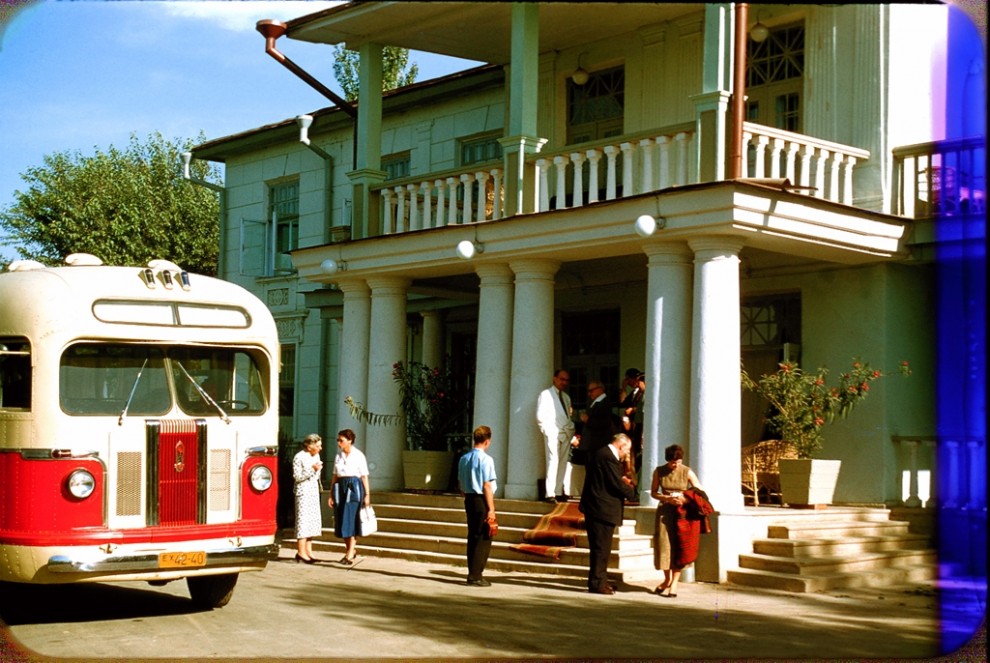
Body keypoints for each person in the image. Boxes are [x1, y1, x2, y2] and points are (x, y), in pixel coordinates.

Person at [579, 433, 637, 594]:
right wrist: (633, 493)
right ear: (621, 446)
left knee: (602, 548)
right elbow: (614, 483)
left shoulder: (604, 454)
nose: (627, 454)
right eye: (627, 450)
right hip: (600, 509)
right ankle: (598, 583)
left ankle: (599, 580)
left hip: (599, 508)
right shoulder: (606, 456)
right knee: (601, 548)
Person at [650, 443, 706, 598]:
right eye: (673, 462)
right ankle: (666, 579)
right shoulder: (659, 471)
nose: (675, 465)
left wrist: (684, 499)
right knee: (664, 546)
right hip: (665, 511)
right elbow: (653, 492)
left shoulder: (686, 471)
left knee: (679, 546)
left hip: (682, 512)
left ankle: (674, 583)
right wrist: (666, 498)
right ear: (667, 460)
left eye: (678, 462)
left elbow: (699, 491)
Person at [457, 425, 498, 587]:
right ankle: (476, 574)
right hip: (481, 500)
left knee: (473, 535)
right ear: (487, 441)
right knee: (484, 537)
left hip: (469, 499)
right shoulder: (486, 460)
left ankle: (472, 572)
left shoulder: (464, 458)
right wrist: (492, 509)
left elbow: (460, 484)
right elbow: (487, 485)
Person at [327, 428, 371, 565]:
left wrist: (367, 495)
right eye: (338, 440)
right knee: (341, 519)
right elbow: (334, 475)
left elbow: (364, 476)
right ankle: (350, 550)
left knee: (351, 518)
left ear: (349, 441)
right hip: (340, 486)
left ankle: (350, 552)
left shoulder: (359, 455)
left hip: (354, 486)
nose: (339, 443)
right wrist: (331, 494)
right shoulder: (338, 456)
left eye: (341, 440)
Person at [536, 369, 576, 503]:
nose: (564, 382)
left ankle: (559, 491)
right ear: (554, 379)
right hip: (552, 432)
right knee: (552, 461)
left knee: (563, 462)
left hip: (565, 433)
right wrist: (548, 431)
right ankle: (550, 493)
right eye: (561, 379)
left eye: (566, 380)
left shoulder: (566, 397)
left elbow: (567, 416)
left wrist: (570, 430)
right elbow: (540, 416)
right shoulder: (545, 394)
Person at [292, 433, 324, 563]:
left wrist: (317, 470)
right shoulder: (299, 457)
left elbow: (317, 475)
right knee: (303, 520)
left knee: (312, 521)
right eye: (317, 446)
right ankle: (301, 551)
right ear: (309, 446)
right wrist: (312, 469)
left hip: (313, 491)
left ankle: (309, 551)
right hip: (303, 491)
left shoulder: (316, 455)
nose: (320, 448)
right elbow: (297, 477)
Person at [575, 380, 614, 465]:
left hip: (597, 446)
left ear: (600, 389)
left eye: (591, 391)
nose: (589, 394)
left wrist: (588, 420)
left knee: (594, 472)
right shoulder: (597, 403)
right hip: (593, 447)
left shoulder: (604, 403)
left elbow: (603, 423)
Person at [617, 368, 645, 473]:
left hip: (638, 425)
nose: (629, 383)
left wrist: (633, 410)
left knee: (637, 453)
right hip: (631, 426)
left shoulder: (644, 392)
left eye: (629, 380)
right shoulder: (634, 392)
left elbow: (646, 406)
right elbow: (622, 403)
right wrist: (623, 388)